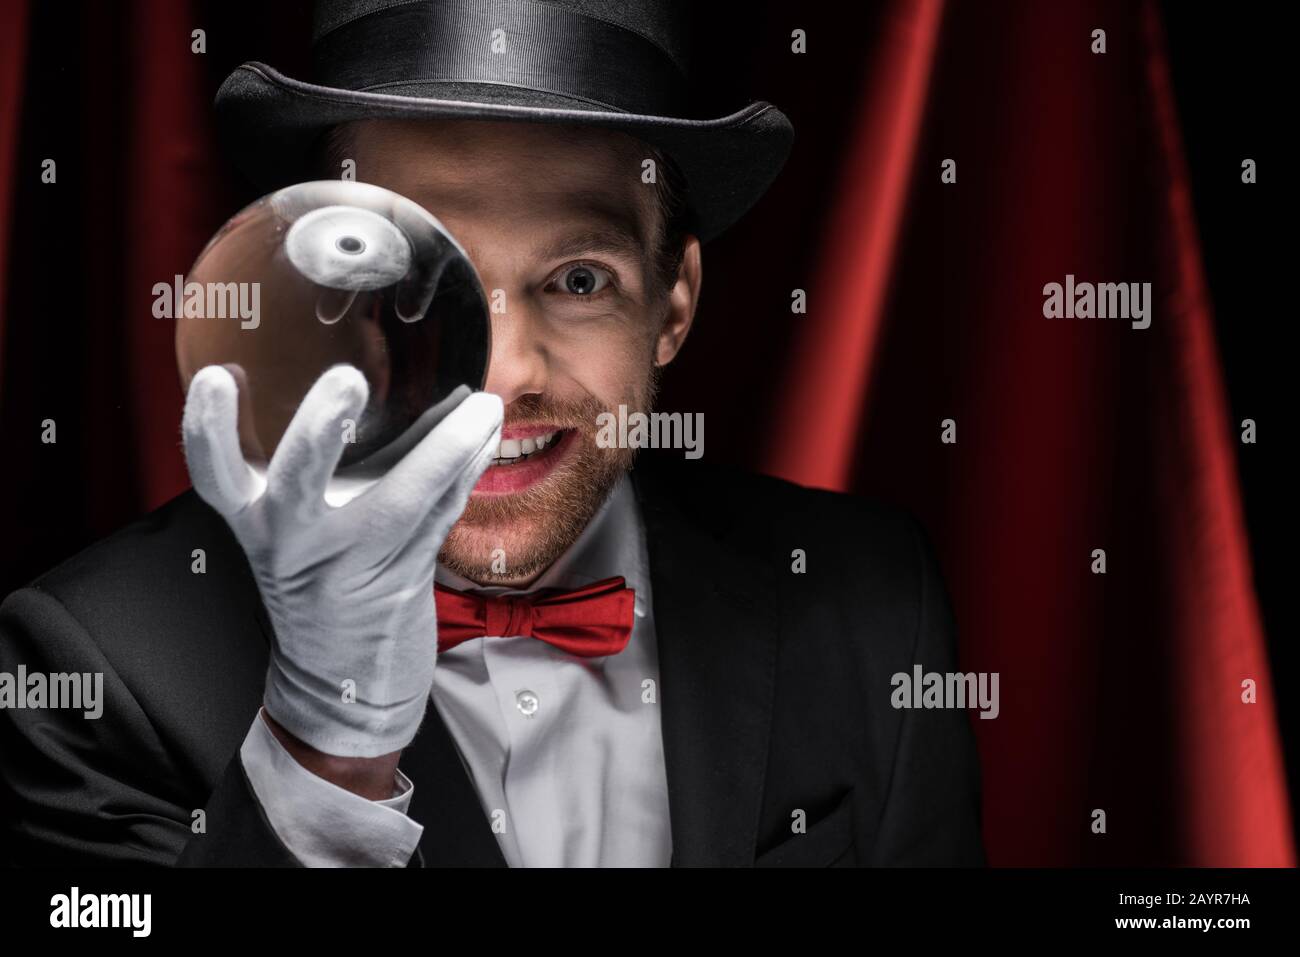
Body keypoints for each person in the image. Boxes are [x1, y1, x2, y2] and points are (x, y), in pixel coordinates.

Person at [0, 0, 984, 867]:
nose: (503, 373)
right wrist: (324, 736)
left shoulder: (868, 602)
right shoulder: (96, 665)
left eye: (579, 280)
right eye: (418, 284)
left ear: (674, 304)